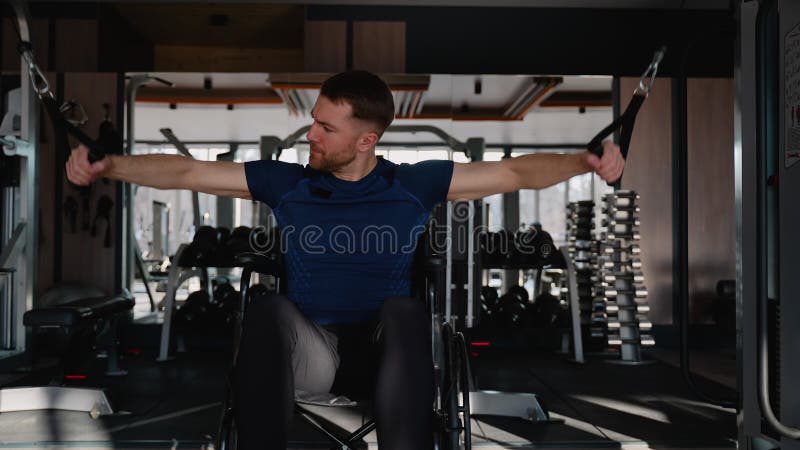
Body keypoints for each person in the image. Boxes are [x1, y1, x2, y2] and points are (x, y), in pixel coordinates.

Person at [66, 70, 624, 450]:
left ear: (365, 140)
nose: (310, 135)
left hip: (390, 357)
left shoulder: (413, 185)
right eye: (314, 121)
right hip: (313, 356)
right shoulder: (286, 184)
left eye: (325, 129)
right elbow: (187, 172)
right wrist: (107, 166)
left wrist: (584, 161)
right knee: (266, 308)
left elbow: (514, 173)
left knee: (406, 309)